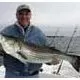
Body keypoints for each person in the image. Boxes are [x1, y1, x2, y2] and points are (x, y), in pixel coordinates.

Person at [0, 4, 47, 78]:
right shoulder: (6, 32)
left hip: (33, 76)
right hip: (12, 75)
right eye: (21, 14)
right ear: (16, 15)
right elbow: (2, 51)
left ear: (30, 15)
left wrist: (51, 61)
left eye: (26, 14)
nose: (24, 17)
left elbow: (47, 50)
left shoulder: (39, 33)